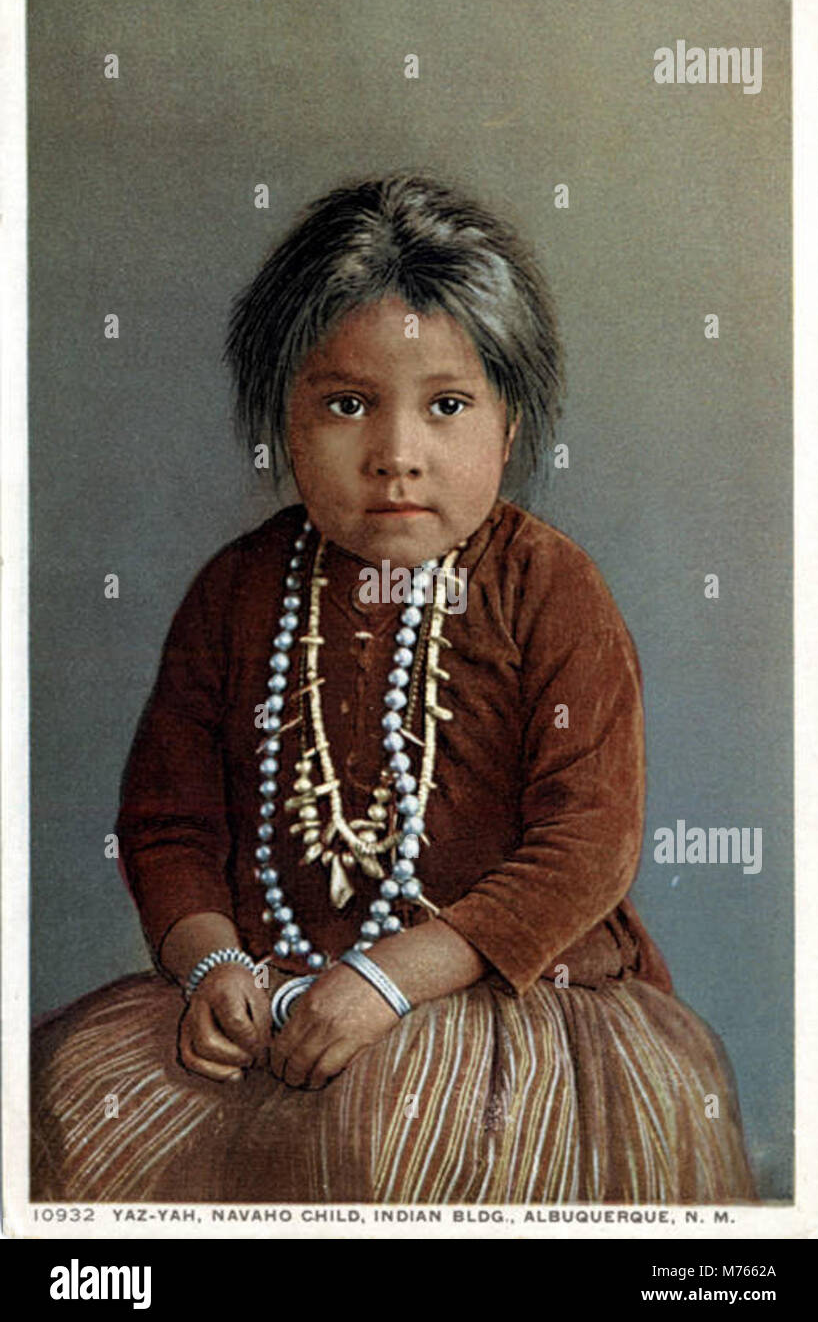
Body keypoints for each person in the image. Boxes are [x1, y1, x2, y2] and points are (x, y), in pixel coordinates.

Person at [31, 171, 758, 1204]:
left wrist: (384, 981)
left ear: (508, 428)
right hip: (272, 1000)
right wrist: (208, 966)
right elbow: (169, 826)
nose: (396, 456)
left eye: (447, 405)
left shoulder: (547, 588)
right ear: (283, 422)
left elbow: (586, 842)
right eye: (345, 404)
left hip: (508, 1007)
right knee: (66, 1099)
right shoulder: (238, 595)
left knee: (389, 1134)